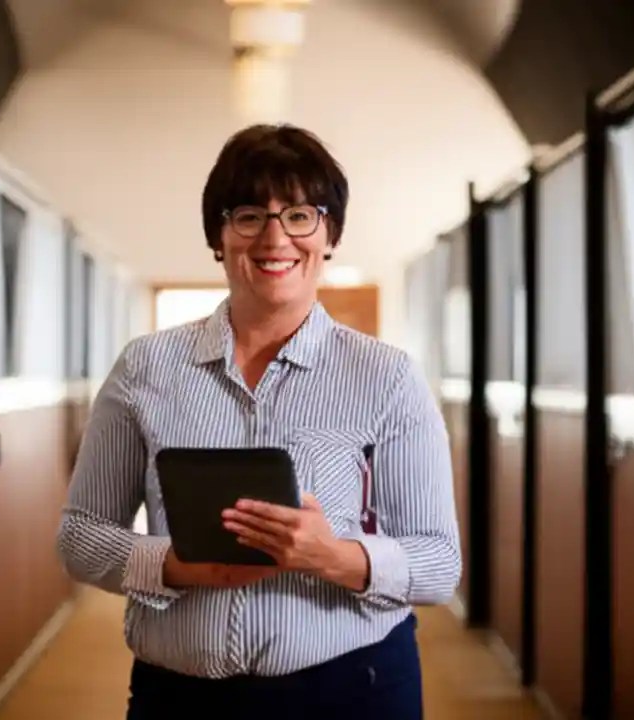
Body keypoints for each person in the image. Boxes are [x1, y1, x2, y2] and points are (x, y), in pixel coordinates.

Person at [56, 123, 462, 719]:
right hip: (181, 697)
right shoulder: (145, 368)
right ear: (219, 237)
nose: (275, 238)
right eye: (249, 215)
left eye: (300, 215)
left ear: (330, 234)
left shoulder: (388, 377)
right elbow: (81, 537)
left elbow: (439, 565)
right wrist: (171, 565)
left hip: (353, 689)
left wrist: (334, 555)